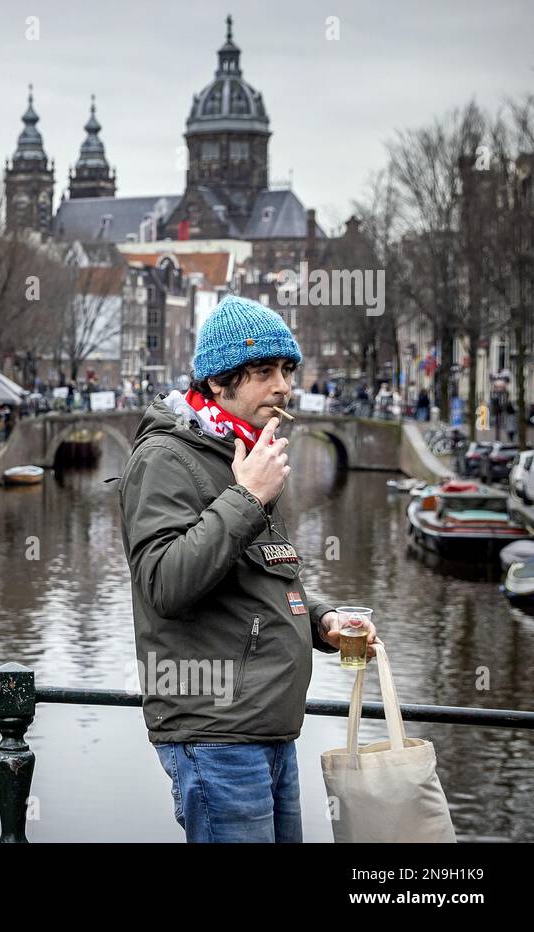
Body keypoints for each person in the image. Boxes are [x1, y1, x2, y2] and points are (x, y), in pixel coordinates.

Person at [118, 295, 377, 844]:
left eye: (286, 370)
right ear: (218, 382)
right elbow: (164, 583)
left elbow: (268, 579)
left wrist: (325, 622)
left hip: (268, 727)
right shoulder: (168, 457)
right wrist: (247, 498)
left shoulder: (243, 451)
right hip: (217, 731)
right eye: (263, 371)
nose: (283, 386)